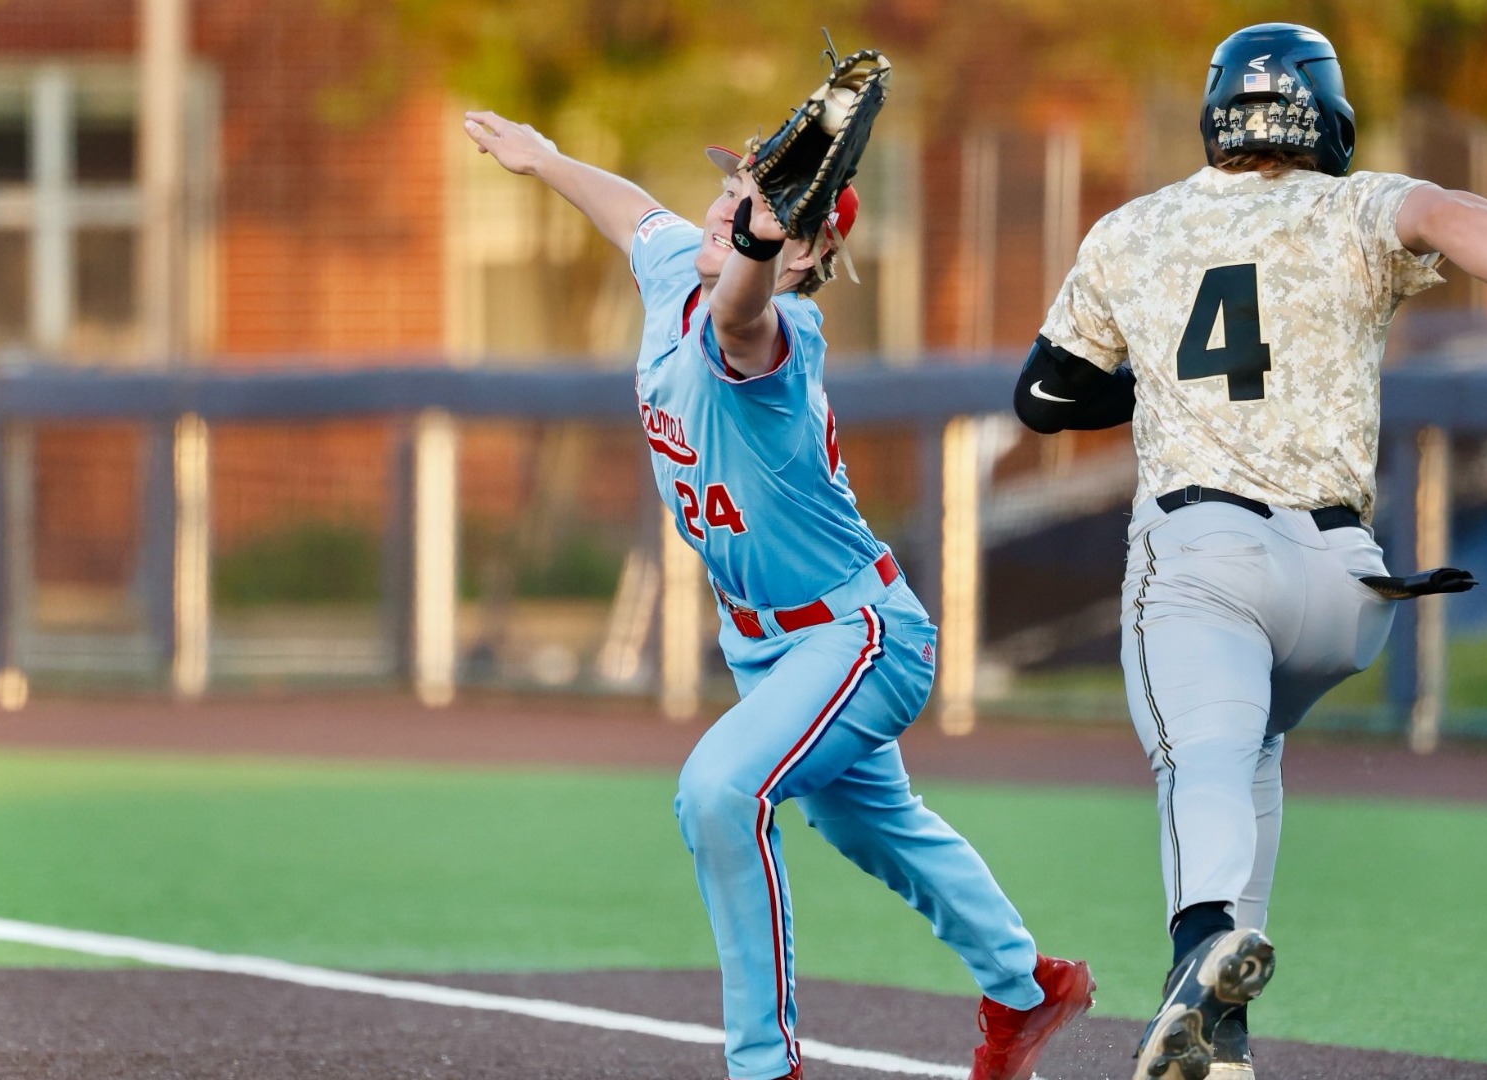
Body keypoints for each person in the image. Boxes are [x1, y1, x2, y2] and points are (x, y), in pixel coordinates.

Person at [1011, 23, 1487, 1080]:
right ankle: (1223, 1036)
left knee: (1200, 759)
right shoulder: (1352, 205)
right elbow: (1448, 215)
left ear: (1217, 112)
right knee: (1252, 755)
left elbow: (1045, 396)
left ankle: (1201, 949)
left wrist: (1151, 379)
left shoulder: (1130, 232)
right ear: (1324, 116)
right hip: (1346, 587)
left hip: (1209, 553)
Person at [462, 109, 1093, 1080]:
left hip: (860, 636)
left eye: (764, 210)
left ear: (804, 257)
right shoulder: (685, 266)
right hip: (771, 649)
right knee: (870, 821)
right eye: (732, 190)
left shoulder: (775, 334)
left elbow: (738, 315)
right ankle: (1027, 986)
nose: (728, 209)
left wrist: (758, 240)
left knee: (719, 793)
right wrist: (546, 161)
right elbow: (631, 211)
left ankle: (765, 1066)